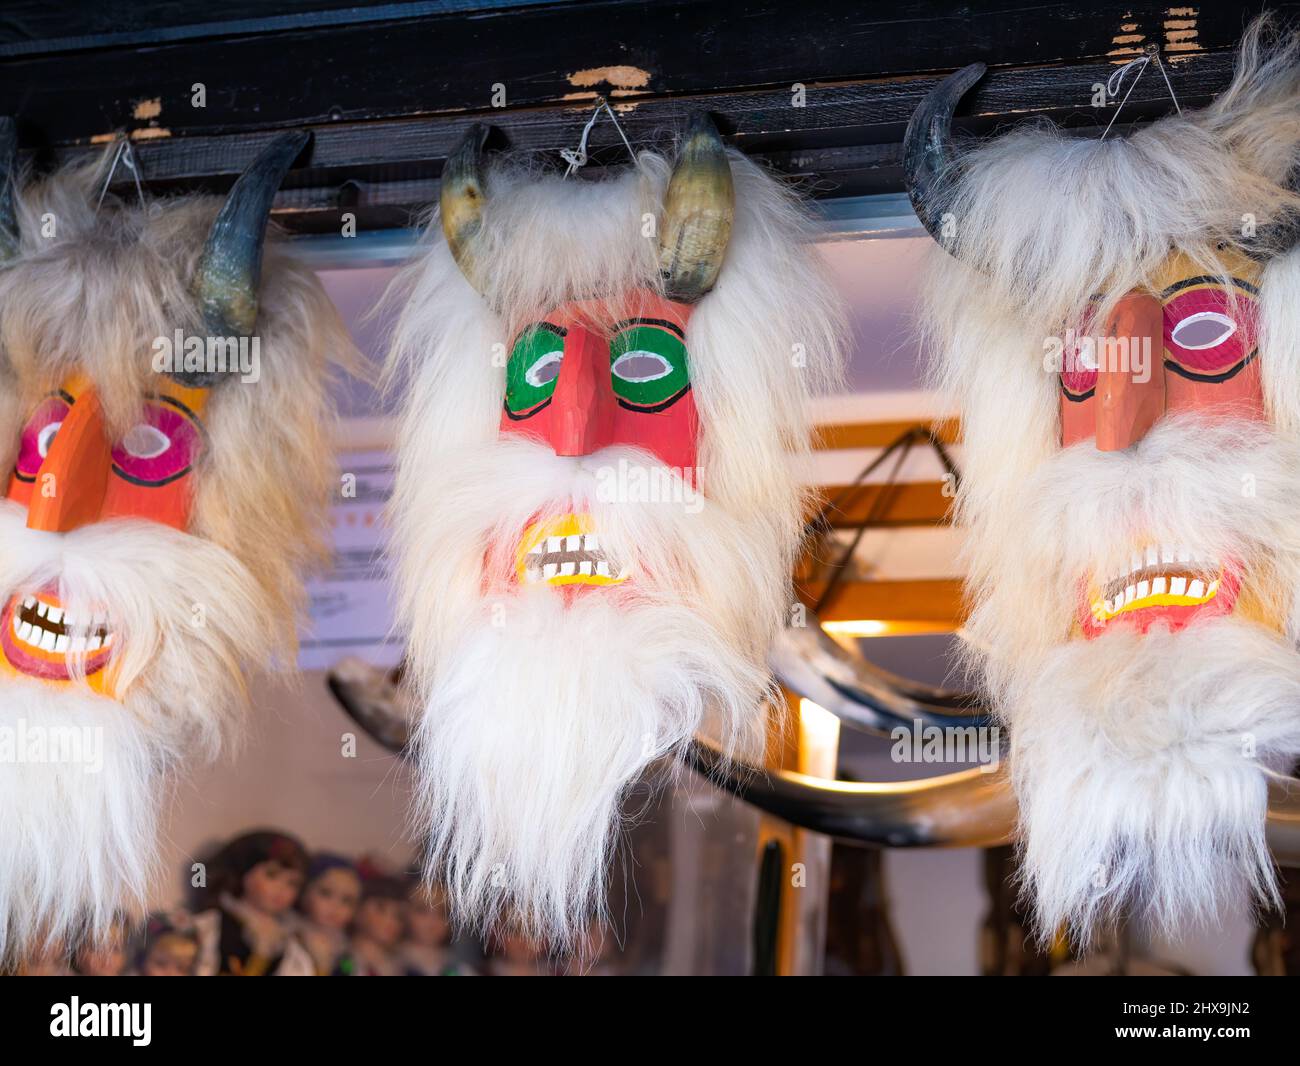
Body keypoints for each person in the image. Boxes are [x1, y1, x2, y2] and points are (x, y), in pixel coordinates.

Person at [192, 829, 315, 976]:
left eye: (292, 883)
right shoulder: (214, 925)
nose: (281, 889)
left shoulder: (289, 943)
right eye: (272, 875)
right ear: (245, 873)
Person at [293, 854, 363, 976]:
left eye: (346, 900)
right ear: (306, 892)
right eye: (326, 894)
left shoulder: (346, 952)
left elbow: (347, 971)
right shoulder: (293, 937)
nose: (335, 907)